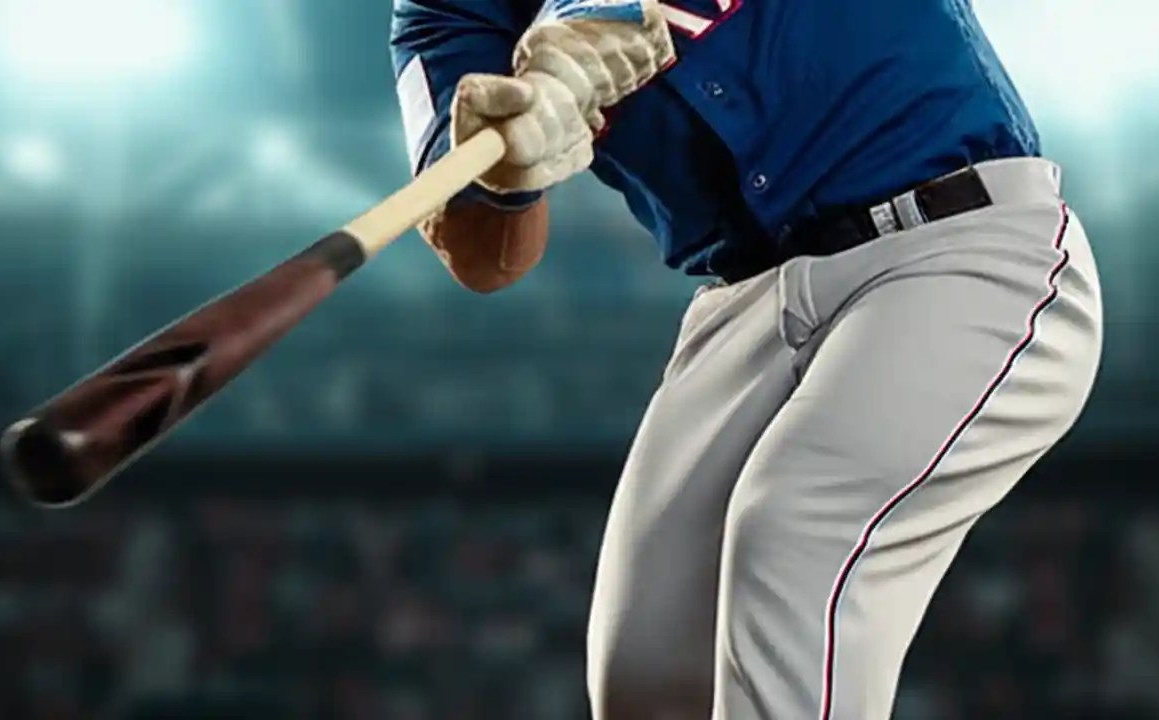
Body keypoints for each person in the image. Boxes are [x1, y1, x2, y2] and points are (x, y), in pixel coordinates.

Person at [389, 0, 1103, 717]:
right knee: (648, 667)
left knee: (796, 529)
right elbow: (483, 252)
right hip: (745, 299)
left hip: (955, 237)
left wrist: (590, 21)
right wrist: (505, 171)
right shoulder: (437, 16)